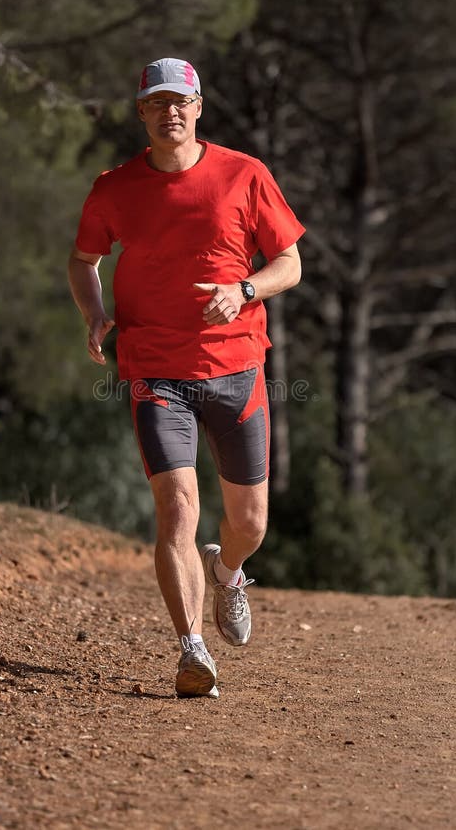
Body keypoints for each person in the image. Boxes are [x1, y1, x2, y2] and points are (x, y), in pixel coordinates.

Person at [68, 57, 304, 698]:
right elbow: (83, 259)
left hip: (236, 368)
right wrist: (95, 314)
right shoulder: (114, 187)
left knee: (249, 523)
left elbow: (290, 262)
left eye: (182, 101)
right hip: (154, 371)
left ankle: (227, 572)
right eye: (157, 102)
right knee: (177, 508)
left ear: (199, 108)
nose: (170, 111)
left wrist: (246, 288)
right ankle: (191, 650)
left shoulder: (244, 175)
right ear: (141, 111)